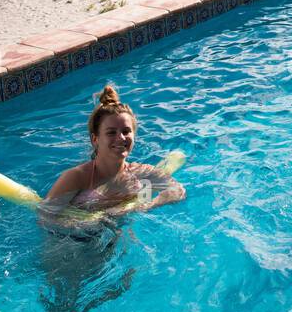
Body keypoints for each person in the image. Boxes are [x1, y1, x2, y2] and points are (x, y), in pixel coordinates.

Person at [43, 85, 186, 217]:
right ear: (95, 139)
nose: (121, 138)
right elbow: (45, 216)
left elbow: (177, 191)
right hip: (76, 241)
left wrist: (144, 206)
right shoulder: (77, 178)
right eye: (111, 133)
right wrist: (92, 221)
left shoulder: (141, 173)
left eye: (126, 131)